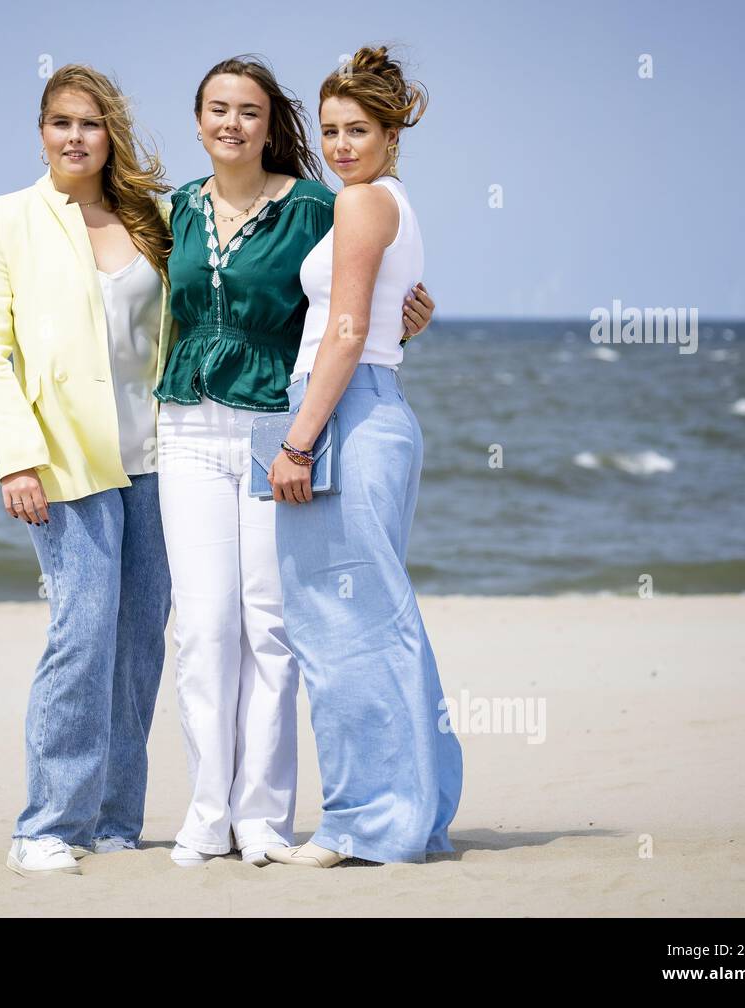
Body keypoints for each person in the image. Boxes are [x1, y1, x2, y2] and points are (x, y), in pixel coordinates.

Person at [154, 54, 436, 867]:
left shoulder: (321, 202)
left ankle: (263, 820)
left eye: (248, 110)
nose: (231, 123)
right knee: (204, 630)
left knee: (272, 627)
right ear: (198, 119)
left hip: (276, 425)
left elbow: (369, 299)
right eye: (217, 108)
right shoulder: (173, 210)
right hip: (184, 428)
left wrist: (415, 319)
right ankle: (208, 811)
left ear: (271, 122)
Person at [0, 64, 176, 877]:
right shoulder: (5, 219)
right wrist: (17, 459)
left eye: (89, 123)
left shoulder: (149, 218)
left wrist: (391, 314)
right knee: (81, 635)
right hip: (65, 460)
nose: (74, 137)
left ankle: (115, 817)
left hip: (159, 459)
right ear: (41, 132)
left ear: (109, 132)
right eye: (60, 122)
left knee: (140, 642)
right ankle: (45, 824)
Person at [264, 46, 463, 868]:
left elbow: (344, 333)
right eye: (331, 129)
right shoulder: (392, 205)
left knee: (338, 631)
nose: (341, 144)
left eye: (359, 130)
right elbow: (380, 321)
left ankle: (358, 826)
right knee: (379, 625)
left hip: (343, 412)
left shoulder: (361, 206)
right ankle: (418, 818)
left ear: (391, 133)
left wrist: (296, 441)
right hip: (375, 406)